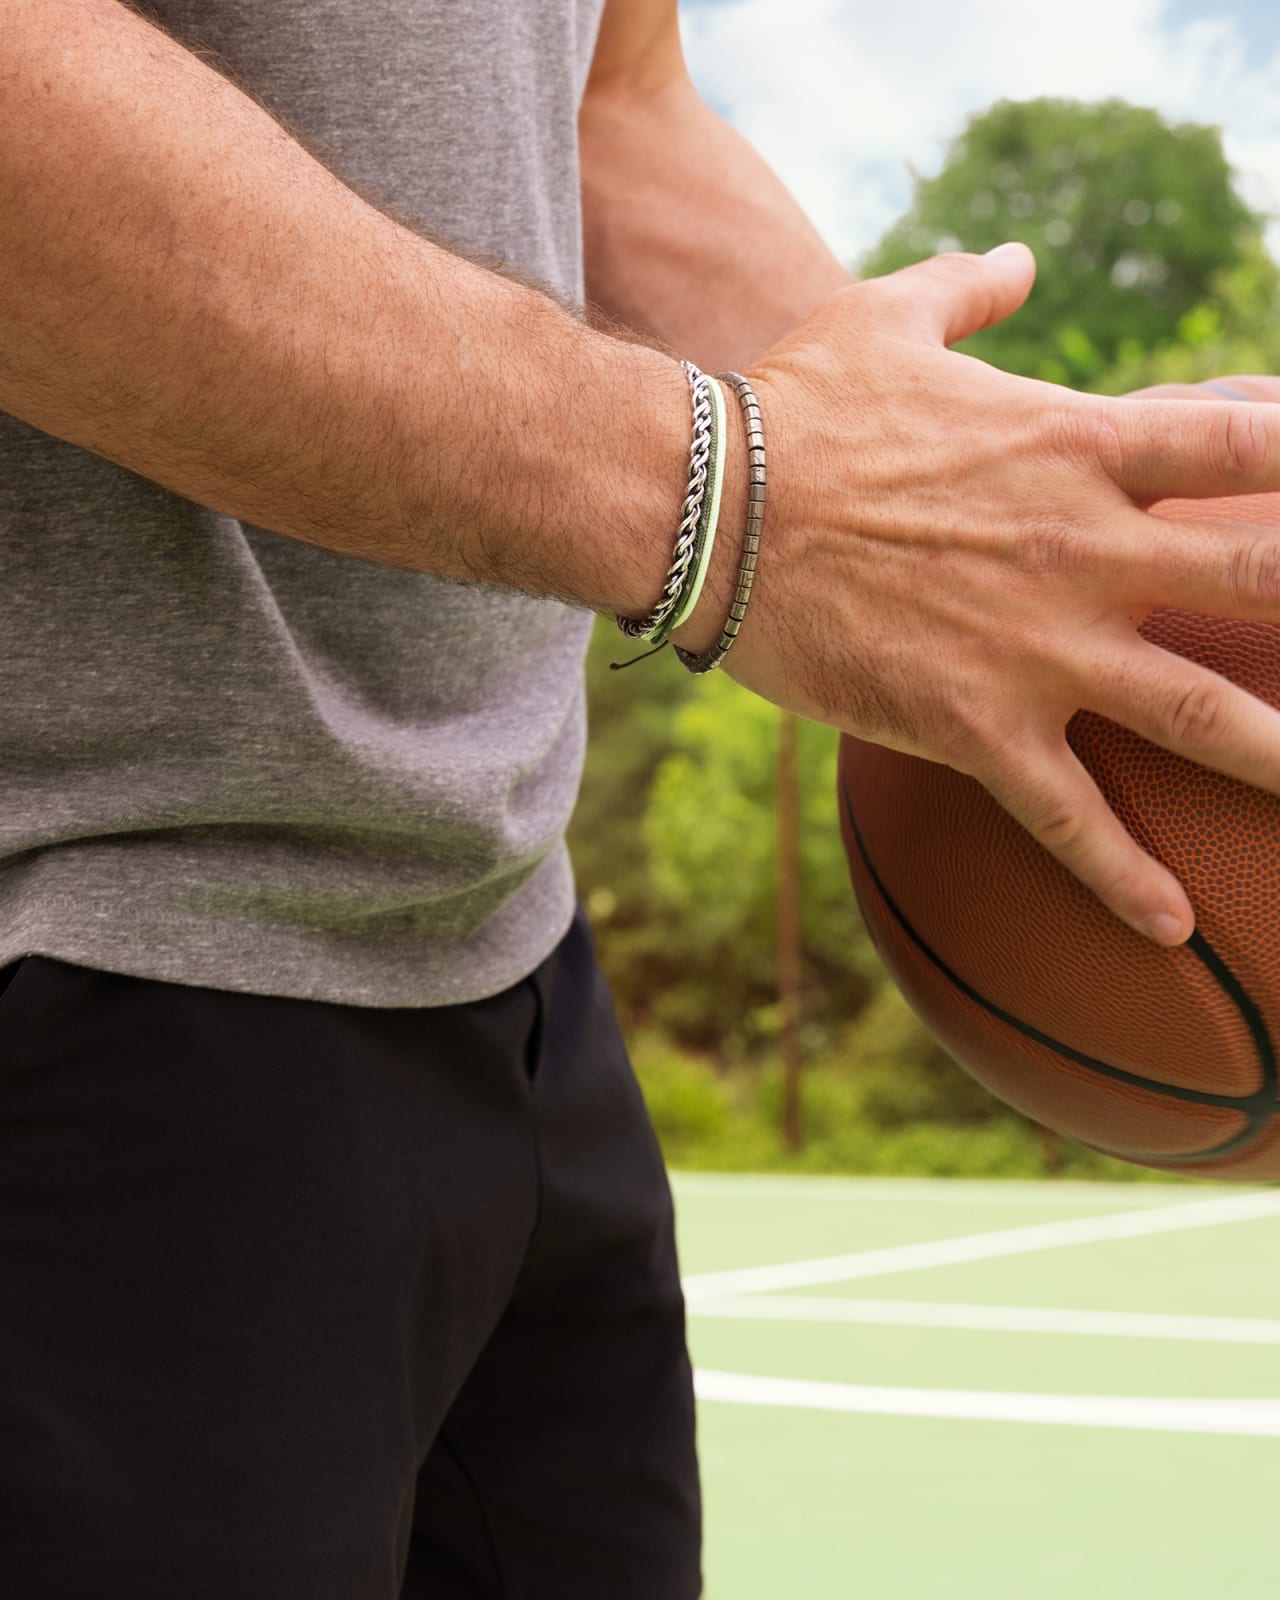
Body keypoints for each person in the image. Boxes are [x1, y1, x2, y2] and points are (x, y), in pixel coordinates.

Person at [4, 1, 1280, 1595]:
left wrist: (1020, 526)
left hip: (507, 962)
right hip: (86, 941)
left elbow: (617, 110)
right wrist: (733, 495)